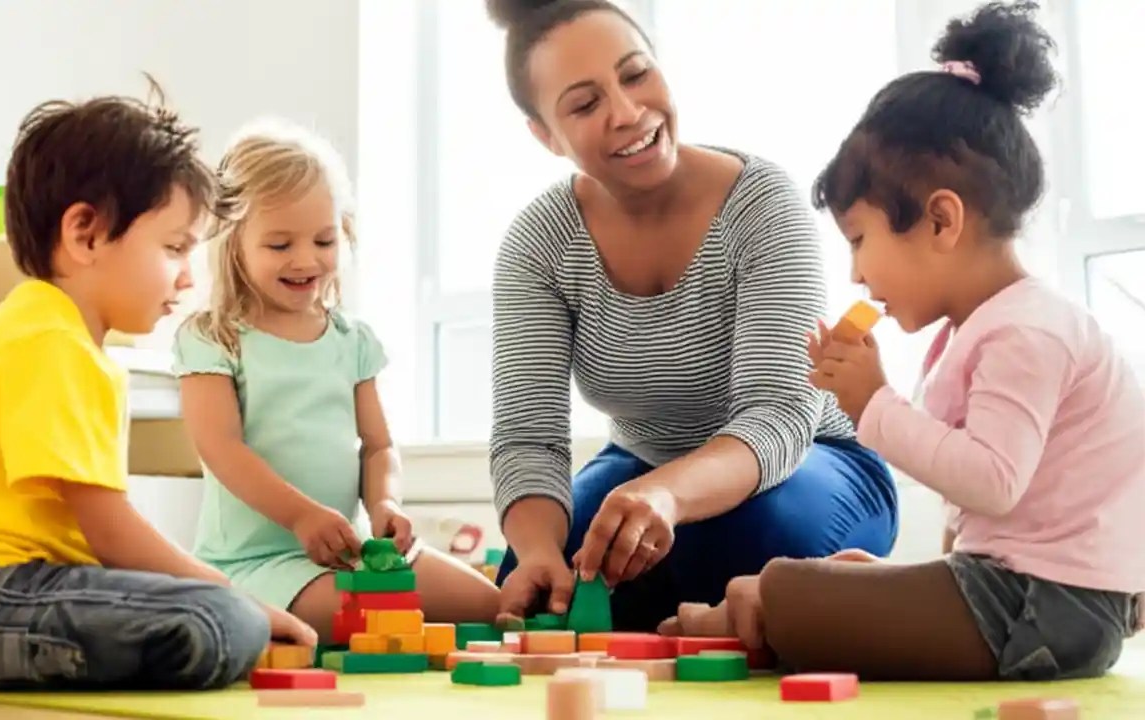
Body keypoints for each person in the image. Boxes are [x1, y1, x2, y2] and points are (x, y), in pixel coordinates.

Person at [665, 1, 1145, 681]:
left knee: (785, 586)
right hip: (1031, 602)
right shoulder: (988, 325)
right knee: (838, 578)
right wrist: (923, 578)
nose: (857, 273)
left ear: (941, 220)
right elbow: (988, 522)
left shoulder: (1026, 331)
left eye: (861, 240)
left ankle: (751, 615)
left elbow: (993, 483)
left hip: (1048, 611)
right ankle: (769, 609)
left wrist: (873, 405)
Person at [0, 84, 314, 691]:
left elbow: (96, 546)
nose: (187, 276)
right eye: (174, 247)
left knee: (215, 612)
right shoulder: (47, 340)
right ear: (86, 234)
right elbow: (110, 530)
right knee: (222, 616)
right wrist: (234, 596)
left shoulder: (55, 337)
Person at [483, 0, 898, 629]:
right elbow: (528, 438)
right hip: (642, 468)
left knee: (753, 540)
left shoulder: (762, 205)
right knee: (544, 578)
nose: (627, 112)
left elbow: (781, 416)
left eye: (635, 74)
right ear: (546, 134)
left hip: (813, 455)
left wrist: (669, 495)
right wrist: (539, 550)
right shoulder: (539, 243)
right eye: (585, 104)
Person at [173, 120, 500, 639]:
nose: (306, 260)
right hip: (256, 566)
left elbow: (377, 447)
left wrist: (384, 504)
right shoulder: (213, 337)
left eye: (323, 240)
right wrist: (302, 516)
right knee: (375, 615)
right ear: (232, 242)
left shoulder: (351, 340)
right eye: (280, 245)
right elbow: (222, 449)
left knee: (489, 606)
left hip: (349, 556)